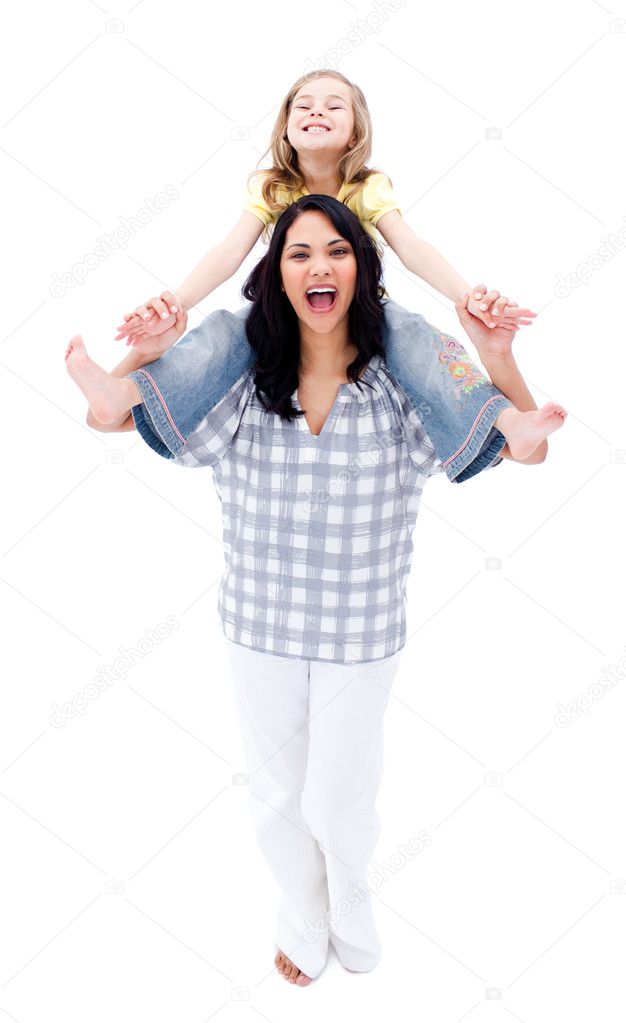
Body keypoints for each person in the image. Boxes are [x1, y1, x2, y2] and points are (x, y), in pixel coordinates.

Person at [65, 195, 566, 987]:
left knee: (336, 798)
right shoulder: (245, 381)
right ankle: (302, 907)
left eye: (336, 250)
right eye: (298, 253)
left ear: (361, 270)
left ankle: (350, 895)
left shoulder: (398, 384)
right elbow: (110, 421)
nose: (318, 266)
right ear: (276, 276)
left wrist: (499, 360)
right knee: (276, 793)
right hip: (259, 624)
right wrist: (139, 359)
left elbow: (524, 452)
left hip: (360, 632)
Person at [111, 69, 538, 484]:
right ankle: (127, 393)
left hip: (364, 310)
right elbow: (229, 252)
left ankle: (504, 421)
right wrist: (176, 304)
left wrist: (466, 296)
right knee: (220, 334)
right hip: (281, 311)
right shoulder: (271, 187)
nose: (317, 111)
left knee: (419, 341)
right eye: (304, 106)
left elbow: (411, 247)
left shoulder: (367, 187)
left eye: (334, 106)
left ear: (354, 134)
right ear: (285, 130)